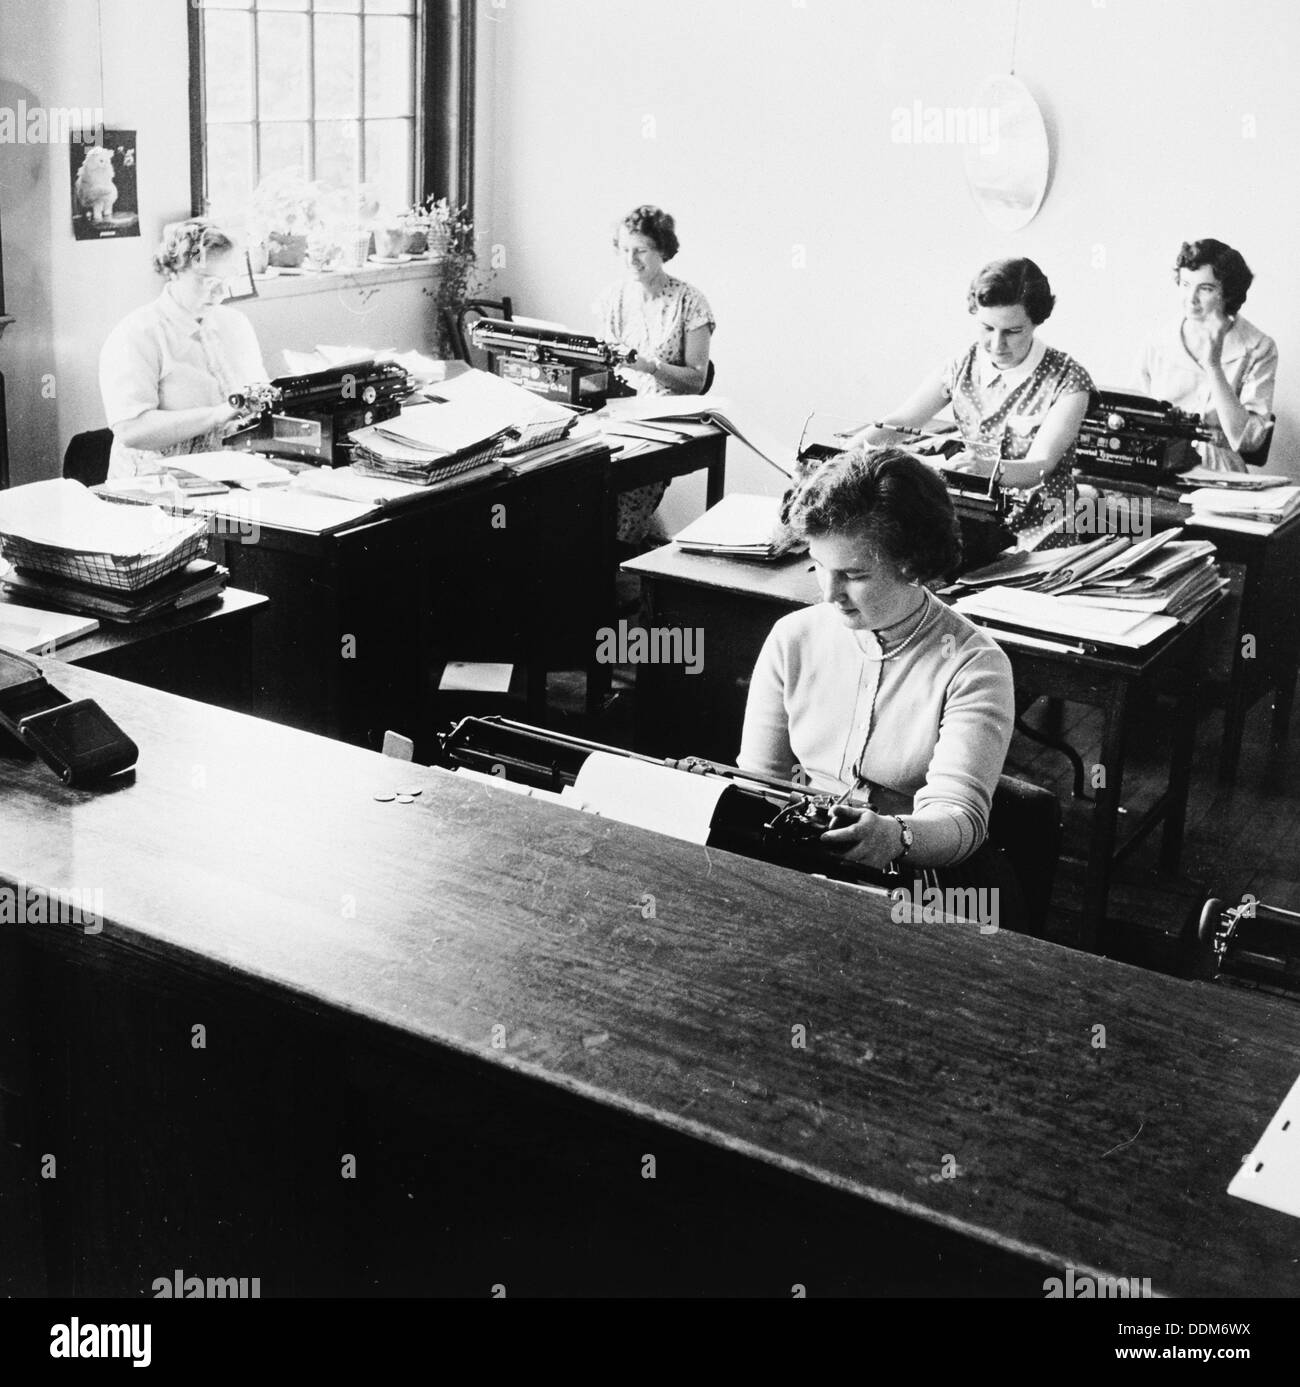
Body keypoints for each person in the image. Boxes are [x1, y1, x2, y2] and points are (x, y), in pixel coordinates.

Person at [739, 447, 1021, 917]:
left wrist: (894, 837)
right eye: (819, 566)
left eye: (853, 575)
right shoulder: (793, 637)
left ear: (913, 565)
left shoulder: (975, 666)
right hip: (809, 864)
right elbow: (759, 785)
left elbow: (961, 820)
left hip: (927, 883)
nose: (829, 594)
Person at [858, 258, 1093, 544]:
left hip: (1043, 522)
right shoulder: (961, 365)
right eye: (987, 328)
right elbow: (902, 422)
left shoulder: (1068, 379)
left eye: (1012, 331)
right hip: (976, 512)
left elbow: (1040, 466)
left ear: (1036, 321)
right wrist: (841, 457)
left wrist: (987, 467)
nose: (996, 344)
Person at [100, 218, 268, 479]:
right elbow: (131, 430)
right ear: (174, 270)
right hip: (154, 485)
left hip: (227, 474)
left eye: (227, 281)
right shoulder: (137, 333)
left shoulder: (236, 324)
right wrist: (216, 415)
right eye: (207, 280)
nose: (219, 294)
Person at [596, 205, 714, 545]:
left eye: (641, 251)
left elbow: (697, 379)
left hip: (665, 424)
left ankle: (619, 567)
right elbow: (602, 369)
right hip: (615, 418)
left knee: (621, 506)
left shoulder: (690, 302)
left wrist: (651, 367)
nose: (631, 259)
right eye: (625, 250)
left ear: (662, 249)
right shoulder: (612, 299)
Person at [1135, 238, 1277, 472]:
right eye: (1185, 284)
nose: (1191, 298)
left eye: (1206, 288)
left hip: (1219, 471)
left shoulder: (1259, 347)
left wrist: (1213, 366)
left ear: (1228, 293)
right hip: (1157, 465)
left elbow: (1247, 441)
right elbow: (1136, 416)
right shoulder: (1157, 342)